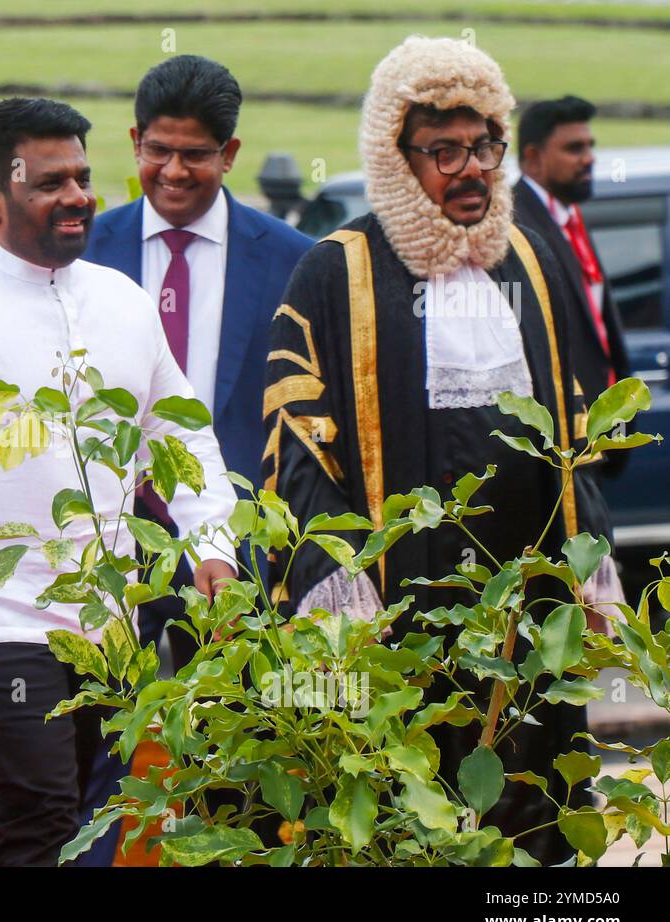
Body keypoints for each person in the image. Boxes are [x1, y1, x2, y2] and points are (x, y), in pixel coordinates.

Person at [261, 38, 621, 864]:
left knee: (529, 817)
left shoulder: (531, 254)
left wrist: (588, 544)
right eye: (444, 152)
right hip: (397, 604)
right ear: (397, 156)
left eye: (485, 146)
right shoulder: (333, 269)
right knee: (405, 814)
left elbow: (574, 421)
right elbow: (295, 428)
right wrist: (339, 572)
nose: (471, 170)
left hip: (522, 601)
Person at [0, 97, 238, 866]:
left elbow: (182, 432)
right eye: (49, 182)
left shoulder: (124, 304)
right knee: (39, 817)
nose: (77, 197)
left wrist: (214, 546)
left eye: (82, 177)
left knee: (73, 822)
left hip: (109, 621)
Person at [79, 55, 313, 864]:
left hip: (241, 548)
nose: (173, 172)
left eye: (196, 155)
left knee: (241, 753)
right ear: (134, 141)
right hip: (107, 548)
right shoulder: (82, 248)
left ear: (231, 153)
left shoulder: (293, 256)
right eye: (157, 151)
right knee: (103, 753)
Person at [514, 96, 630, 476]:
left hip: (593, 437)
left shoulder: (568, 216)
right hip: (561, 444)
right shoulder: (515, 226)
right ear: (533, 157)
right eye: (573, 148)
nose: (589, 158)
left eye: (590, 146)